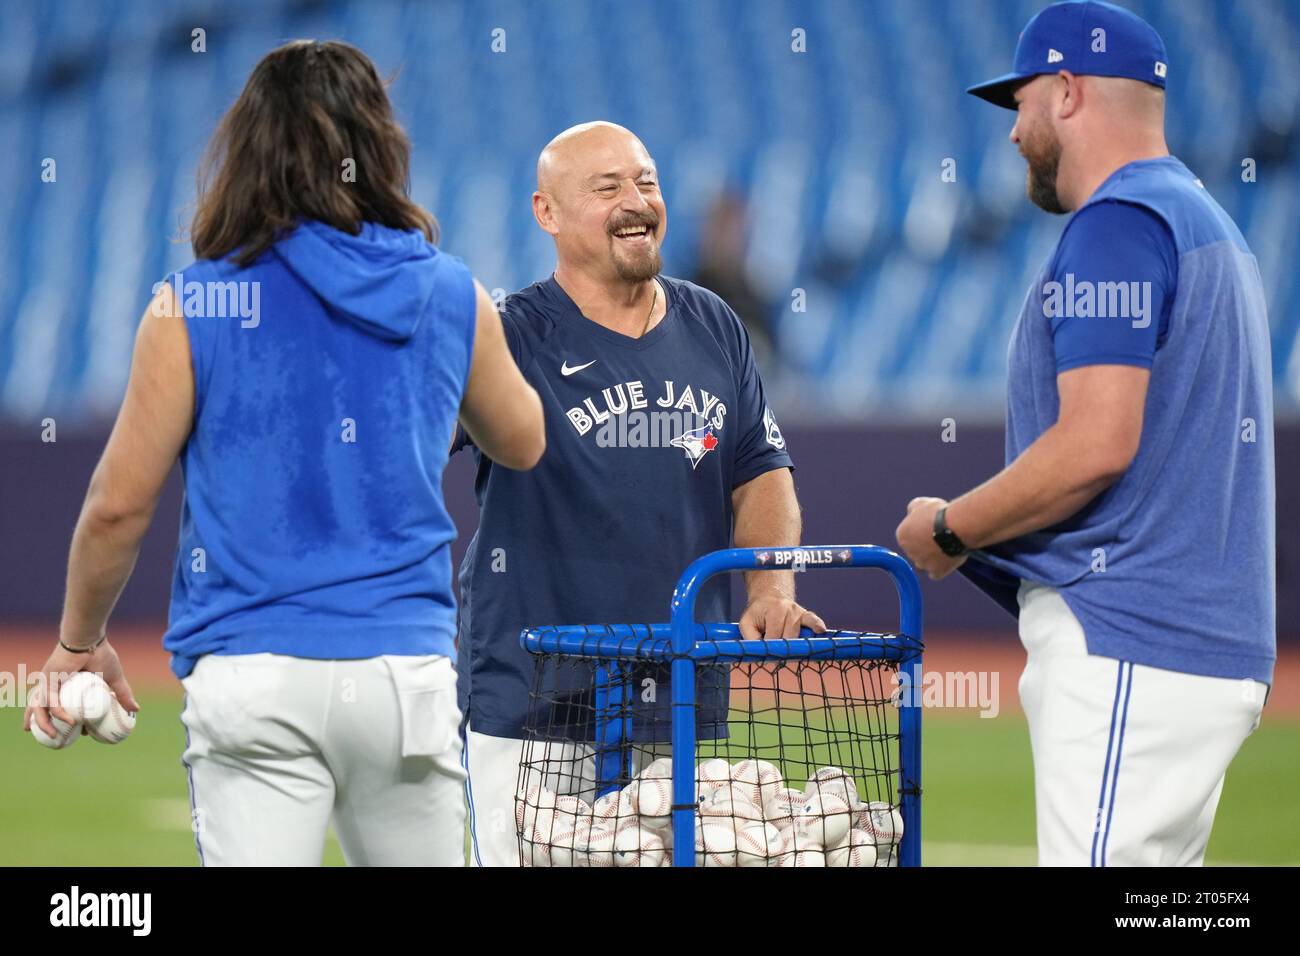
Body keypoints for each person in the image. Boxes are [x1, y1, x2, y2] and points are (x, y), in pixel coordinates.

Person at [23, 39, 544, 866]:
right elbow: (522, 439)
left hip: (252, 675)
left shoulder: (194, 302)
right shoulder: (450, 291)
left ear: (248, 149)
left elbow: (117, 505)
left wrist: (79, 643)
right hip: (401, 675)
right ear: (379, 145)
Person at [894, 1, 1273, 866]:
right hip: (1190, 646)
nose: (1014, 130)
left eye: (1020, 103)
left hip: (1130, 642)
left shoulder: (1119, 223)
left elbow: (1096, 445)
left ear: (1067, 91)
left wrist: (952, 528)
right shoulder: (1204, 221)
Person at [453, 121, 825, 866]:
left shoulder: (714, 322)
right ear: (547, 213)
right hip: (533, 704)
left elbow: (760, 469)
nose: (636, 202)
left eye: (646, 182)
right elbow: (408, 444)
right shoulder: (509, 334)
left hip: (674, 695)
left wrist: (769, 586)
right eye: (608, 187)